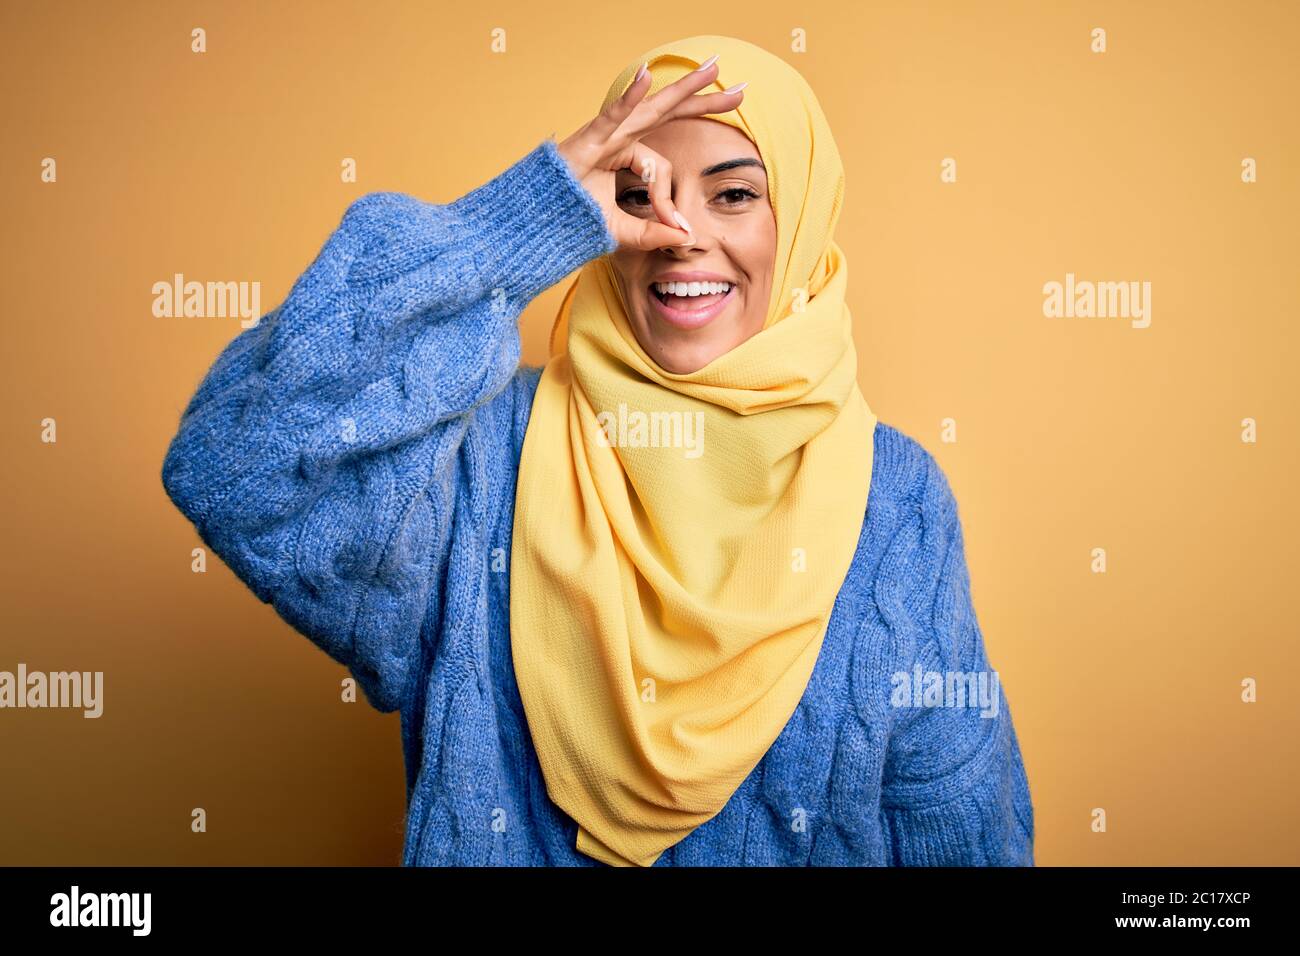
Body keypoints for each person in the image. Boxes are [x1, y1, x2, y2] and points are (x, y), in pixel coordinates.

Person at [161, 34, 1034, 867]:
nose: (679, 234)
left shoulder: (896, 496)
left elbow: (955, 817)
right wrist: (525, 222)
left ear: (802, 223)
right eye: (636, 192)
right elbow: (234, 468)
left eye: (732, 194)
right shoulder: (480, 454)